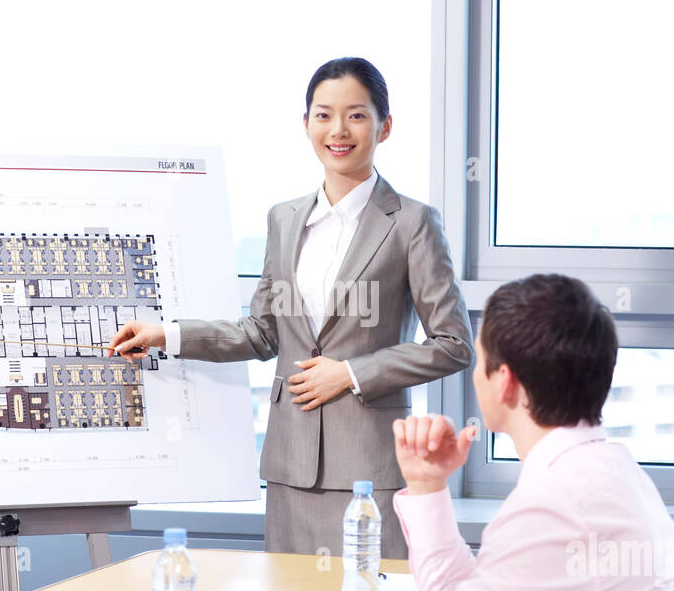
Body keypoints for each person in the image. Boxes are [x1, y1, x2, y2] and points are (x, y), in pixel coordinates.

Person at [108, 57, 471, 558]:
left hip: (371, 464)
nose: (338, 130)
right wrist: (166, 335)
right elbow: (262, 332)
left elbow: (453, 346)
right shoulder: (284, 220)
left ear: (384, 127)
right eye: (323, 115)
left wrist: (350, 372)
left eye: (357, 115)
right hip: (291, 464)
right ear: (306, 125)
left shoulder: (412, 222)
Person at [306, 274, 674, 591]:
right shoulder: (610, 475)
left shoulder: (560, 508)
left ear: (504, 381)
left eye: (480, 361)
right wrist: (428, 486)